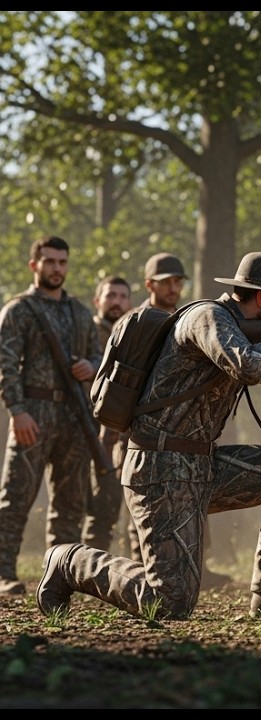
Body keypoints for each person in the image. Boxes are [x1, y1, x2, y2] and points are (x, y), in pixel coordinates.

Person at [36, 251, 261, 619]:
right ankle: (68, 561)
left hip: (201, 464)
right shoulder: (207, 318)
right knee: (169, 603)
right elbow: (246, 366)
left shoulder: (252, 334)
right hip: (160, 471)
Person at [0, 235, 101, 599]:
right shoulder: (19, 310)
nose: (57, 268)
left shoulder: (79, 312)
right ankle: (4, 574)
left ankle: (60, 579)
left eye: (62, 261)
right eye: (50, 261)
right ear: (34, 265)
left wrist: (91, 365)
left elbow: (99, 355)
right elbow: (6, 365)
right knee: (16, 497)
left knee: (69, 505)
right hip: (33, 413)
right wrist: (18, 410)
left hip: (75, 417)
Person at [132, 252, 233, 590]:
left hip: (181, 441)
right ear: (150, 285)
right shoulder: (140, 321)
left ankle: (189, 570)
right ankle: (146, 572)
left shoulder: (183, 319)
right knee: (149, 515)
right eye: (167, 282)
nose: (174, 288)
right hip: (144, 433)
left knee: (185, 513)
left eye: (179, 282)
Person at [81, 276, 133, 556]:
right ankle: (87, 571)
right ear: (97, 300)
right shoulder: (88, 333)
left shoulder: (135, 335)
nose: (117, 301)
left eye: (123, 296)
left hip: (125, 433)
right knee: (100, 509)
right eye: (111, 295)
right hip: (92, 432)